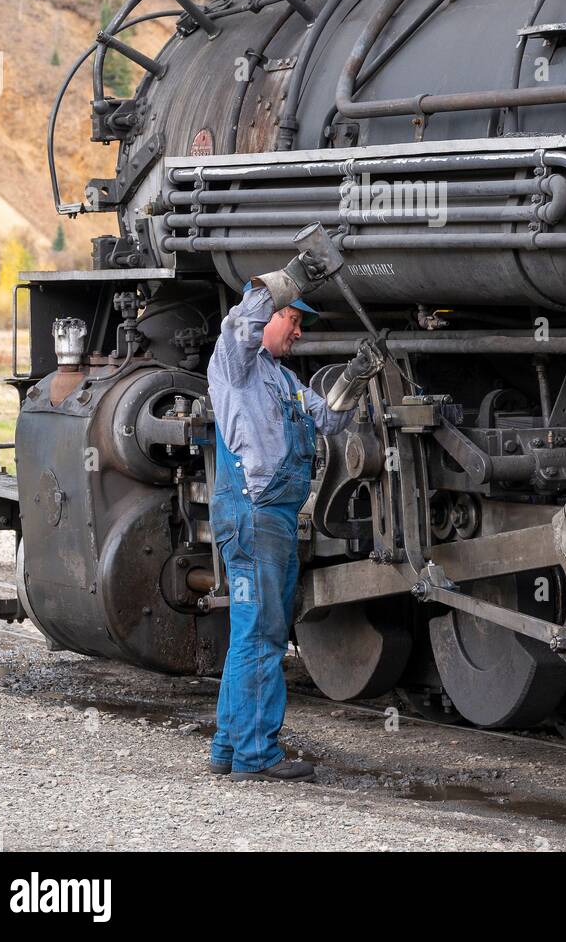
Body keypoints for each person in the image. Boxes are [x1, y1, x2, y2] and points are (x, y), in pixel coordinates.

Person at [205, 247, 379, 782]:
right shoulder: (235, 363)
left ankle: (230, 748)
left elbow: (325, 421)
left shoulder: (281, 381)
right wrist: (294, 274)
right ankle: (257, 756)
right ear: (271, 315)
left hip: (272, 518)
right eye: (294, 318)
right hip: (254, 513)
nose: (299, 331)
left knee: (251, 634)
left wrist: (353, 377)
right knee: (262, 635)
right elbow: (244, 319)